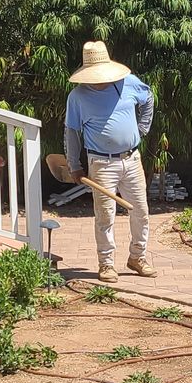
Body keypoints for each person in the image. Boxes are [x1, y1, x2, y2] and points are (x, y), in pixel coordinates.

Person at [58, 41, 153, 281]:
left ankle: (137, 257)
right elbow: (71, 131)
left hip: (132, 158)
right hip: (101, 163)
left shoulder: (129, 83)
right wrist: (75, 165)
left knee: (140, 210)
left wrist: (142, 129)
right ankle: (106, 263)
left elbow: (148, 97)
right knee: (105, 215)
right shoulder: (77, 97)